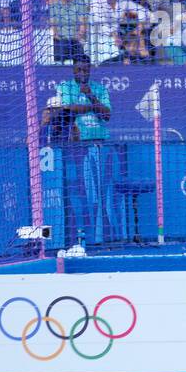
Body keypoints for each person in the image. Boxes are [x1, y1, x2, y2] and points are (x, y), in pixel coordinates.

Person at [47, 53, 115, 247]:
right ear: (73, 69)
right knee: (81, 193)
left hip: (100, 144)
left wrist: (91, 97)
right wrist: (93, 106)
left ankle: (102, 236)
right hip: (76, 147)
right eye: (79, 69)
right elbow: (68, 109)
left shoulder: (99, 88)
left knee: (101, 193)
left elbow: (107, 115)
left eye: (86, 69)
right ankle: (81, 235)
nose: (83, 73)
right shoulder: (65, 87)